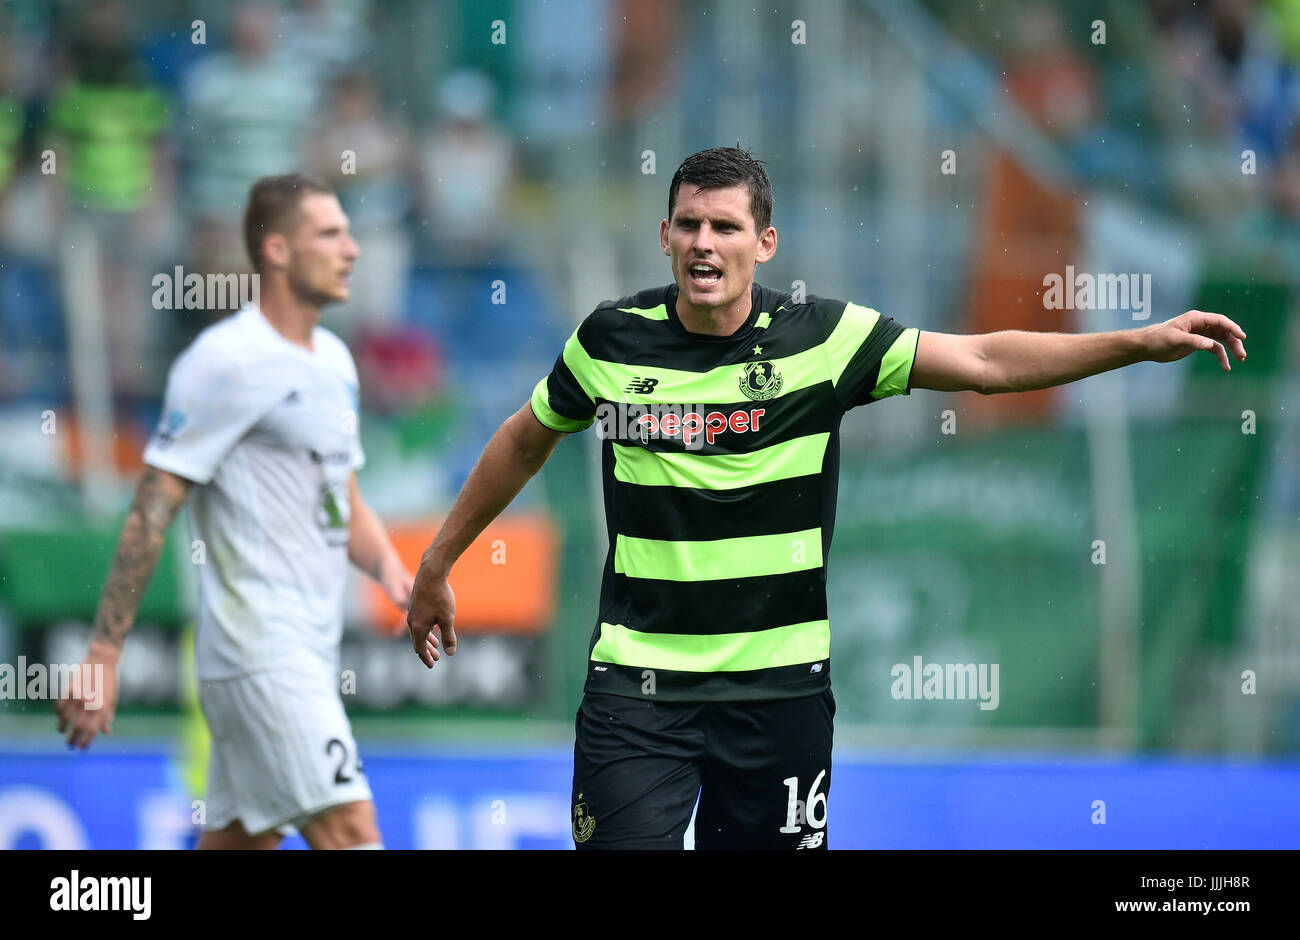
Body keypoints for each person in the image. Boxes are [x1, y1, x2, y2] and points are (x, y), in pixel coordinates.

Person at [404, 147, 1248, 850]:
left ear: (764, 243)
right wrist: (440, 561)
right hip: (637, 693)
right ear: (664, 236)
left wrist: (1136, 342)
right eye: (690, 225)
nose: (705, 243)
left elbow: (984, 364)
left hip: (779, 698)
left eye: (726, 227)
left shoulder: (826, 339)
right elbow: (525, 435)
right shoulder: (608, 340)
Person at [56, 173, 413, 850]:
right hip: (259, 646)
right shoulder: (224, 363)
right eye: (330, 234)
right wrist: (103, 653)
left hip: (308, 642)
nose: (352, 249)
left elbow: (345, 501)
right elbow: (151, 511)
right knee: (352, 830)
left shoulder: (336, 361)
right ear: (276, 250)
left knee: (240, 842)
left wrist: (396, 573)